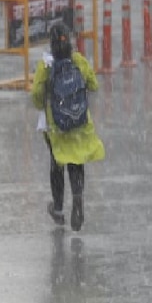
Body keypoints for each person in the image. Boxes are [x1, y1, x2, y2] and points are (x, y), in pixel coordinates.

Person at [30, 21, 105, 232]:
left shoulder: (45, 66)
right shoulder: (78, 60)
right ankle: (78, 198)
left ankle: (59, 208)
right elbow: (94, 84)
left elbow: (36, 97)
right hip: (79, 123)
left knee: (57, 164)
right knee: (76, 161)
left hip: (56, 127)